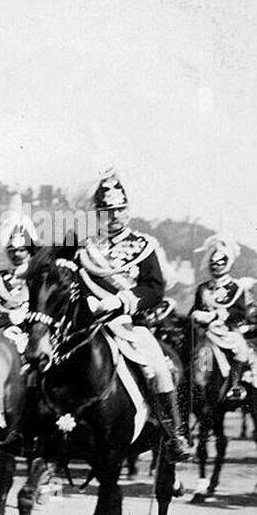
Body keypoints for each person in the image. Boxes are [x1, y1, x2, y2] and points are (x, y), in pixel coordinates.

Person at [75, 171, 190, 462]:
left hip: (129, 325)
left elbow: (154, 288)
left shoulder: (144, 245)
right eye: (107, 211)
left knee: (159, 369)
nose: (114, 216)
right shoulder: (85, 245)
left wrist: (122, 300)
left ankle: (174, 432)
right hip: (88, 324)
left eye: (120, 209)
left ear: (129, 210)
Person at [190, 235, 256, 384]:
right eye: (213, 263)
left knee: (241, 351)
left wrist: (218, 316)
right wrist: (197, 315)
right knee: (202, 358)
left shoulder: (236, 288)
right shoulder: (203, 288)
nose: (216, 266)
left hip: (228, 332)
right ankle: (198, 388)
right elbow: (195, 309)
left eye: (221, 262)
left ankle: (235, 384)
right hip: (206, 334)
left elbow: (239, 312)